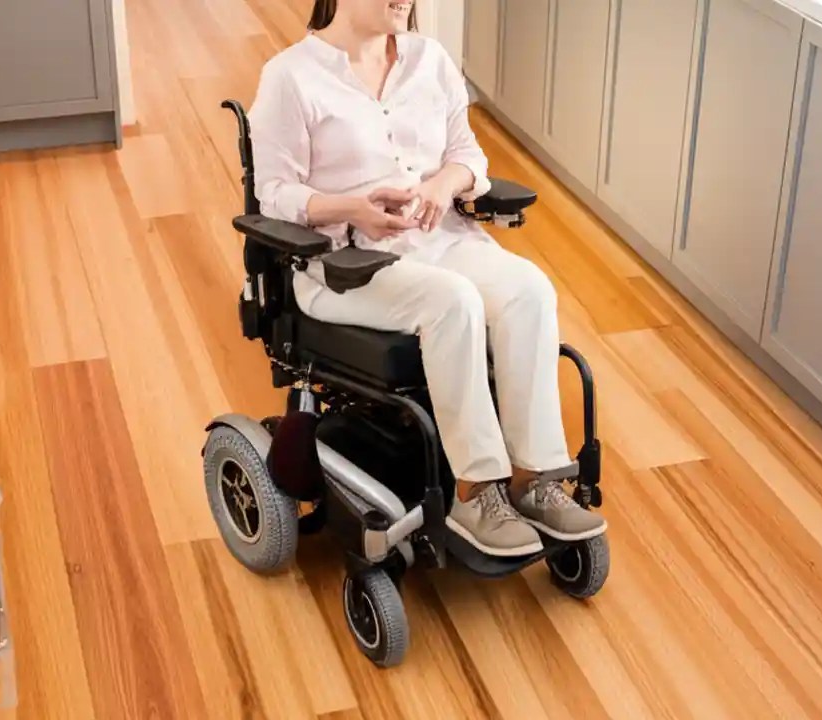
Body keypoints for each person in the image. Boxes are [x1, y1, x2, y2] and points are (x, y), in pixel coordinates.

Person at [247, 0, 606, 556]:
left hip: (440, 241)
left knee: (528, 288)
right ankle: (476, 492)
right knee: (453, 301)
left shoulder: (429, 60)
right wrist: (354, 208)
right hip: (347, 265)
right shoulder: (290, 77)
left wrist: (444, 185)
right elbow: (274, 193)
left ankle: (535, 478)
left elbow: (468, 155)